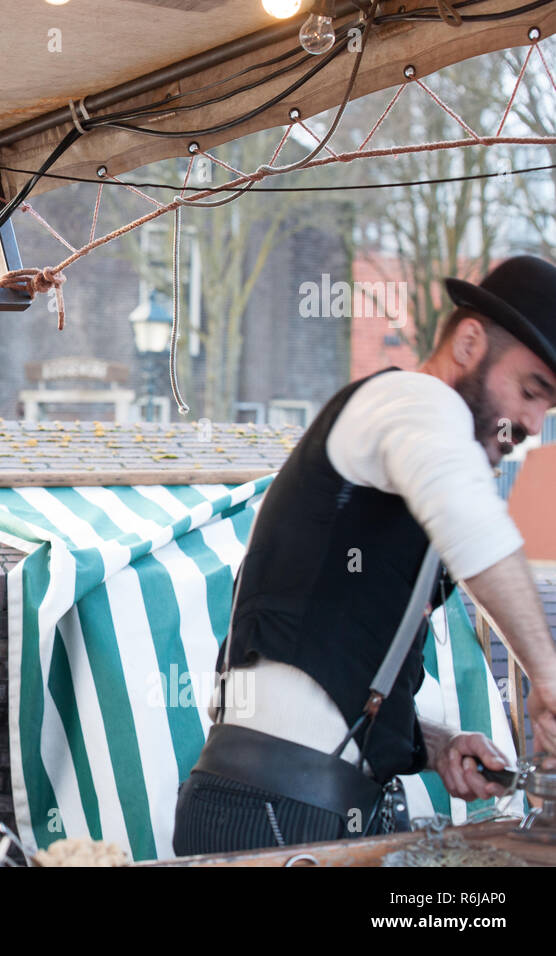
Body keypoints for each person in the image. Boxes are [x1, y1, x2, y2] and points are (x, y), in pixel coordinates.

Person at [172, 255, 556, 855]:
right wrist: (548, 677)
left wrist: (433, 746)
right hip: (277, 813)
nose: (533, 423)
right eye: (531, 391)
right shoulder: (413, 399)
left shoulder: (409, 460)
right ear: (470, 342)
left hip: (285, 809)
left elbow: (323, 682)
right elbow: (476, 524)